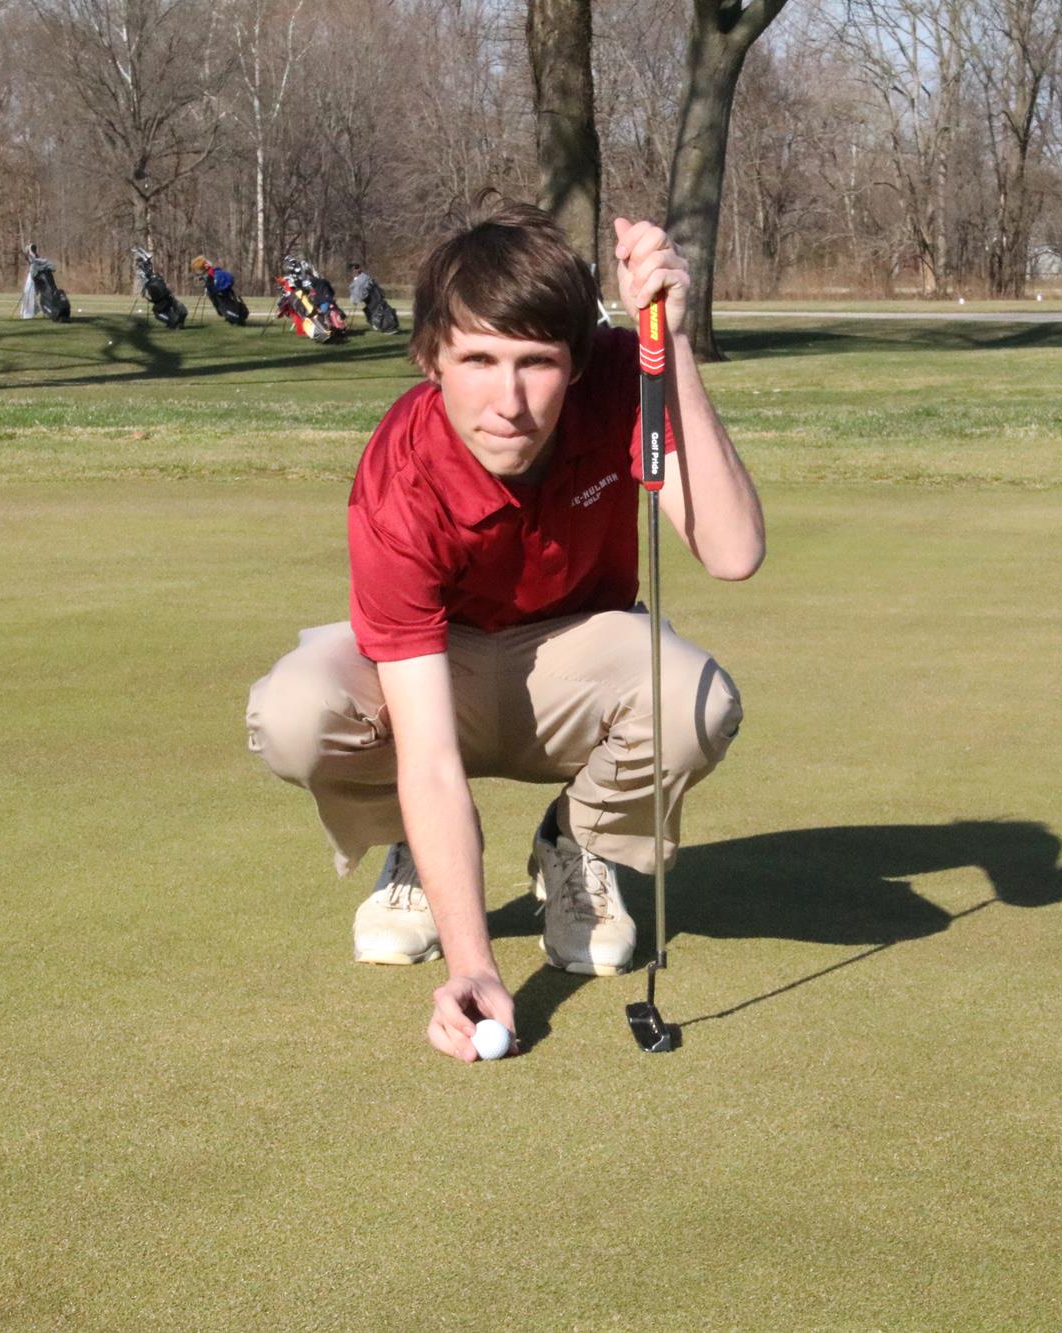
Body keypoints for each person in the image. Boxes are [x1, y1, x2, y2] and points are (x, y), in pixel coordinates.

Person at [246, 201, 764, 1062]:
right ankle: (420, 858)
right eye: (478, 360)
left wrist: (670, 345)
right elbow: (429, 754)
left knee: (697, 700)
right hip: (436, 668)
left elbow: (734, 551)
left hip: (574, 658)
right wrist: (474, 966)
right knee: (294, 711)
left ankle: (575, 842)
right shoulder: (400, 474)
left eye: (538, 363)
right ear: (429, 359)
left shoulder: (619, 378)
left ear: (577, 360)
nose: (510, 403)